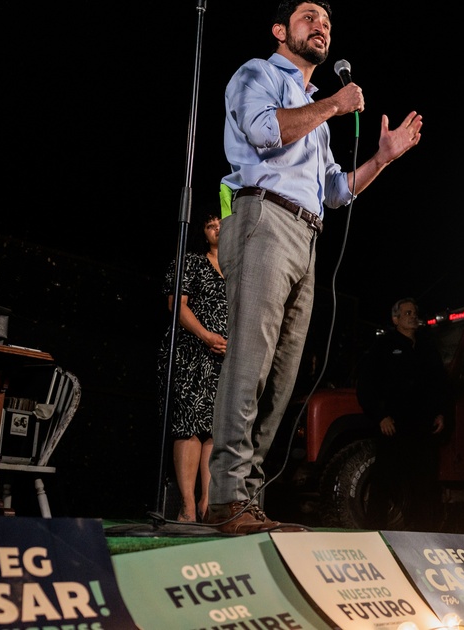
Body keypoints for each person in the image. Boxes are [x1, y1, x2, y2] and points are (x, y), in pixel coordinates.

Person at [207, 0, 424, 534]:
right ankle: (227, 496)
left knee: (283, 377)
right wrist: (334, 105)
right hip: (262, 217)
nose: (321, 26)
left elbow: (335, 191)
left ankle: (249, 499)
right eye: (309, 17)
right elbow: (263, 131)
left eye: (326, 22)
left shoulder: (316, 111)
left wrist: (382, 159)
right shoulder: (258, 74)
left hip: (306, 234)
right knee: (250, 363)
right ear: (280, 30)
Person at [355, 298, 449, 532]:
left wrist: (440, 412)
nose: (412, 316)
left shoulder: (427, 346)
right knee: (384, 481)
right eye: (407, 313)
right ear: (395, 318)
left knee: (424, 483)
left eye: (414, 312)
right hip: (394, 426)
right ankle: (373, 532)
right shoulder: (383, 346)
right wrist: (380, 416)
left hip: (424, 428)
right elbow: (365, 385)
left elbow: (440, 383)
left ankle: (421, 533)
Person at [157, 213, 227, 523]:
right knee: (188, 425)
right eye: (211, 225)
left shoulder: (237, 268)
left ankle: (207, 504)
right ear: (202, 232)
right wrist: (206, 335)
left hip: (222, 357)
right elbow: (176, 304)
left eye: (222, 224)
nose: (218, 229)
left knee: (214, 428)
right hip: (190, 353)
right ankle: (186, 507)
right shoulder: (190, 262)